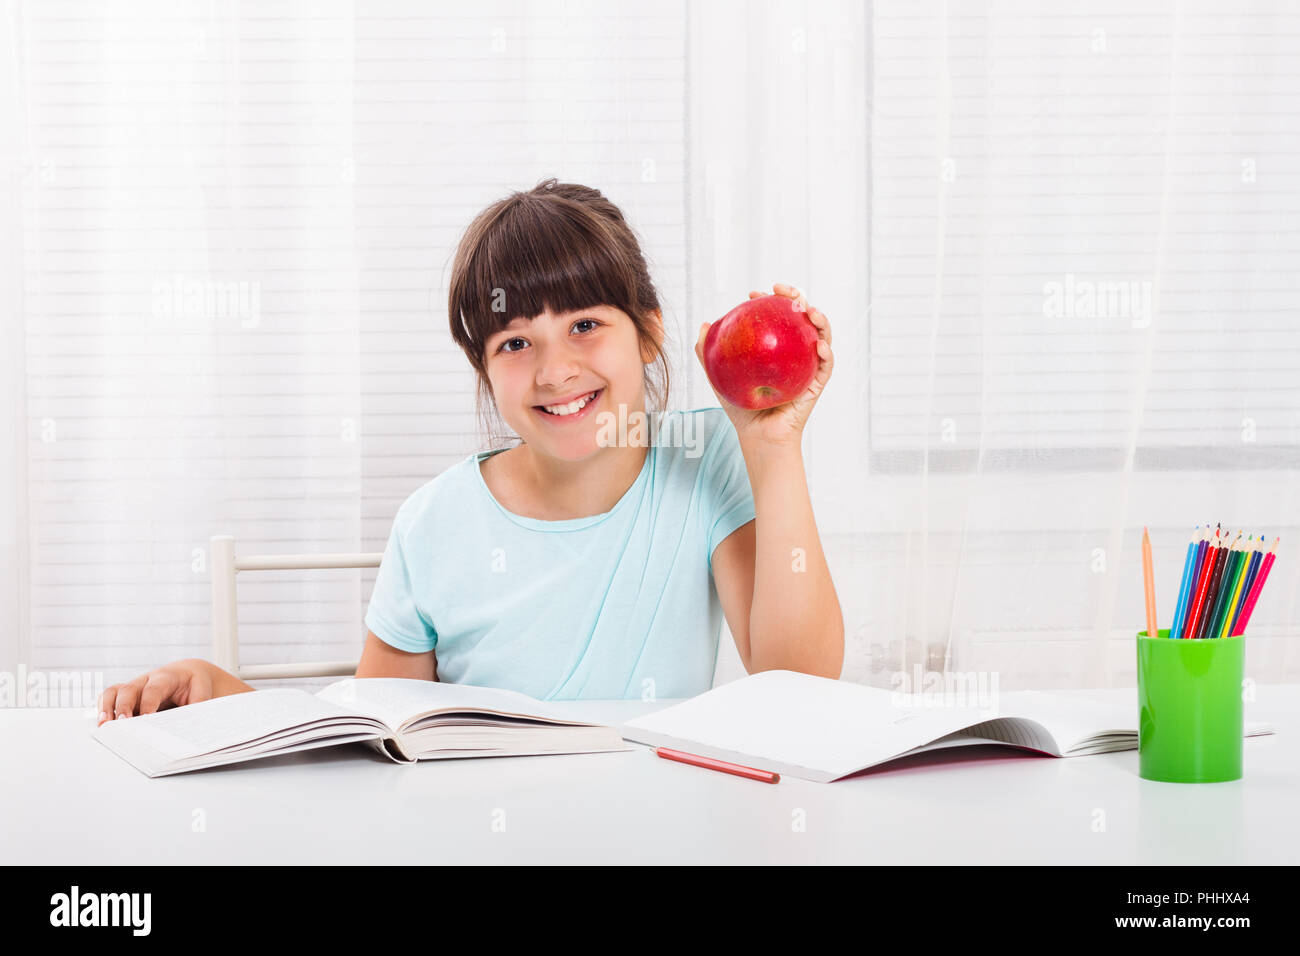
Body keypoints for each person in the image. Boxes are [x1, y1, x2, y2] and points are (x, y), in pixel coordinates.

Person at [97, 178, 843, 724]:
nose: (555, 371)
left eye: (586, 325)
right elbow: (372, 736)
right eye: (515, 343)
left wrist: (771, 447)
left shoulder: (704, 455)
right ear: (484, 368)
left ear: (648, 331)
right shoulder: (432, 524)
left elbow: (799, 682)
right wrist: (220, 693)